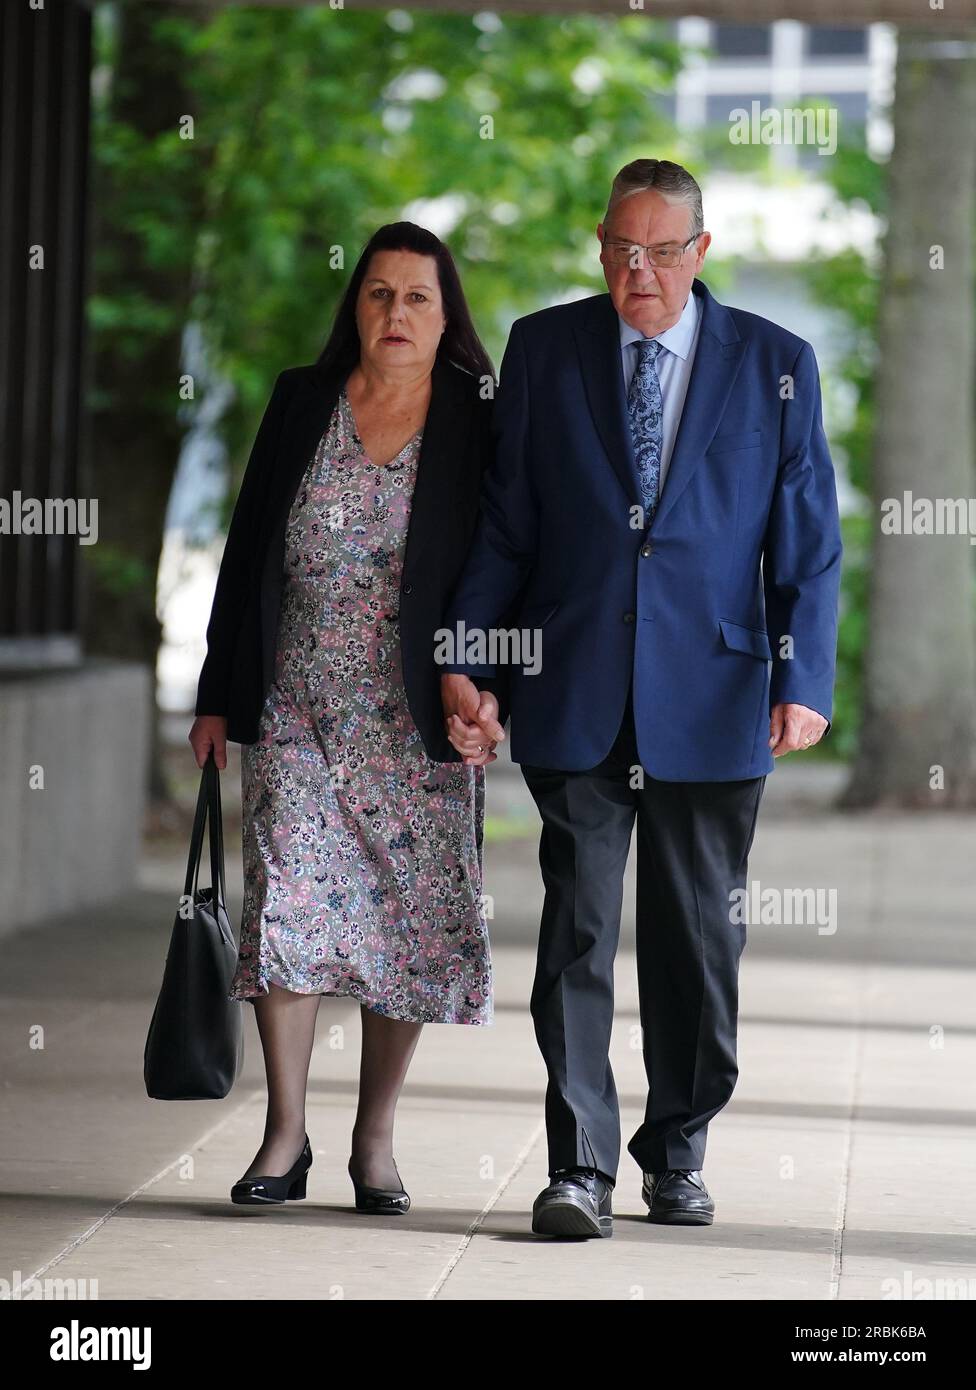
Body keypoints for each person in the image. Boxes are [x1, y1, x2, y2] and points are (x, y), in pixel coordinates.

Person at [441, 159, 842, 1238]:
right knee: (576, 931)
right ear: (599, 246)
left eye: (663, 249)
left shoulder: (776, 363)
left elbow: (806, 545)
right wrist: (470, 657)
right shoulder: (543, 349)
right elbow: (506, 525)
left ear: (699, 252)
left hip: (714, 695)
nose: (640, 269)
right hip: (573, 686)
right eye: (623, 247)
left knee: (697, 944)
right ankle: (578, 1167)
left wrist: (803, 677)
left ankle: (676, 1150)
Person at [189, 222, 506, 1214]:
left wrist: (491, 686)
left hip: (417, 709)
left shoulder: (478, 415)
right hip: (296, 696)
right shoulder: (300, 400)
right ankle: (285, 1134)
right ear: (353, 308)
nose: (394, 313)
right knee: (285, 896)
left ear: (446, 313)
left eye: (416, 296)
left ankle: (375, 1139)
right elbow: (247, 553)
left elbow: (508, 562)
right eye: (377, 294)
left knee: (402, 921)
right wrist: (213, 690)